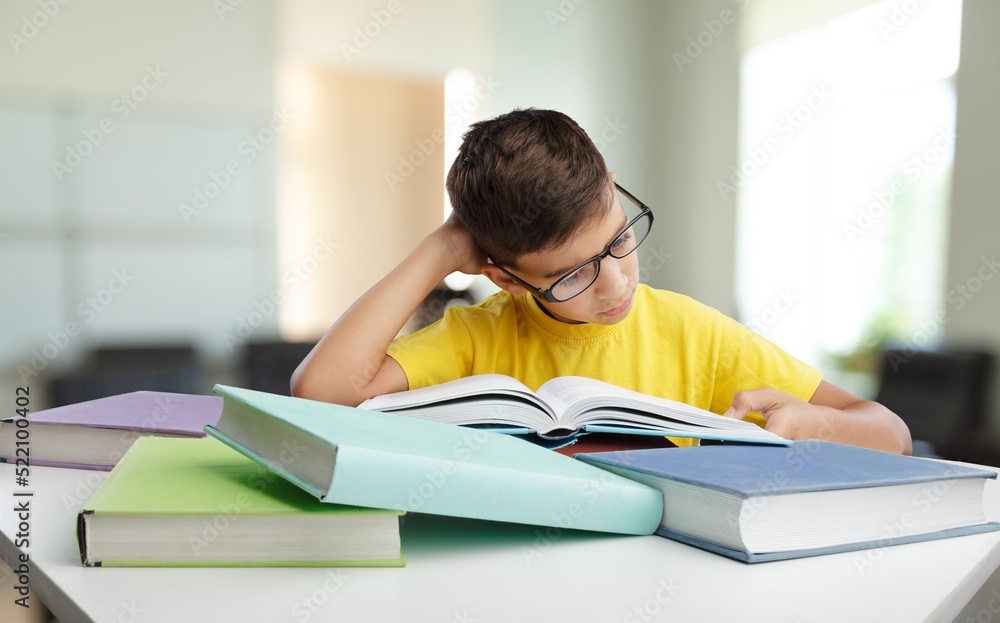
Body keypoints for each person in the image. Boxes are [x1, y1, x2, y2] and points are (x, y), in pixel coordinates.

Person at [291, 108, 911, 455]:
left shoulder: (694, 333)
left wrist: (821, 425)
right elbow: (320, 391)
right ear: (505, 277)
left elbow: (892, 434)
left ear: (612, 189)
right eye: (570, 277)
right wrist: (443, 247)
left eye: (618, 242)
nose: (615, 285)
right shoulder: (474, 336)